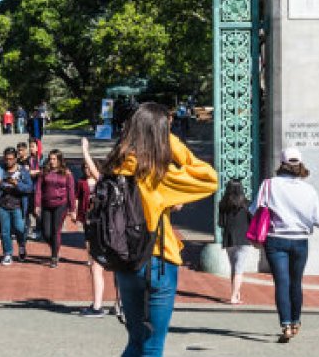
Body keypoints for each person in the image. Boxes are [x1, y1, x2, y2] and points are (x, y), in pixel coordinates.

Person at [106, 102, 218, 357]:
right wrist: (172, 142)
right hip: (157, 260)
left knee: (135, 340)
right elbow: (209, 178)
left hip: (124, 261)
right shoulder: (158, 174)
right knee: (153, 345)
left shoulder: (116, 166)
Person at [251, 148, 319, 342]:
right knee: (296, 282)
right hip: (300, 240)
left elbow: (254, 209)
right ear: (300, 163)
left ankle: (285, 325)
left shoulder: (269, 185)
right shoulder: (309, 189)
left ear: (281, 163)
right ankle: (296, 321)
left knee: (281, 283)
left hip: (275, 238)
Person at [77, 138, 108, 317]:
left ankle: (97, 306)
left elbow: (96, 173)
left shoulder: (106, 184)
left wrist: (85, 150)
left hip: (103, 228)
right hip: (119, 230)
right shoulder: (126, 184)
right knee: (121, 270)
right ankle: (122, 306)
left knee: (97, 267)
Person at [0, 146, 34, 265]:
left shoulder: (22, 171)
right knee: (5, 231)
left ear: (15, 159)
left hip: (18, 206)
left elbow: (30, 188)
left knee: (20, 229)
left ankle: (22, 246)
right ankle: (8, 254)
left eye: (10, 159)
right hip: (2, 205)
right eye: (6, 159)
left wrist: (17, 184)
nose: (8, 161)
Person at [34, 149, 76, 268]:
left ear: (59, 160)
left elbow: (71, 192)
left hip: (61, 205)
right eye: (50, 159)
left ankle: (54, 257)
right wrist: (37, 205)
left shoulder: (67, 173)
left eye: (54, 159)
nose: (52, 161)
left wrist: (72, 209)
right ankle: (55, 248)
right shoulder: (44, 172)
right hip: (46, 204)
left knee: (55, 230)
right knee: (46, 233)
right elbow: (38, 189)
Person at [218, 179, 252, 305]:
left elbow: (221, 223)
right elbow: (252, 221)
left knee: (234, 267)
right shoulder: (247, 204)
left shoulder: (223, 204)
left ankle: (237, 294)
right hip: (244, 238)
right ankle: (233, 296)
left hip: (229, 238)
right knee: (239, 269)